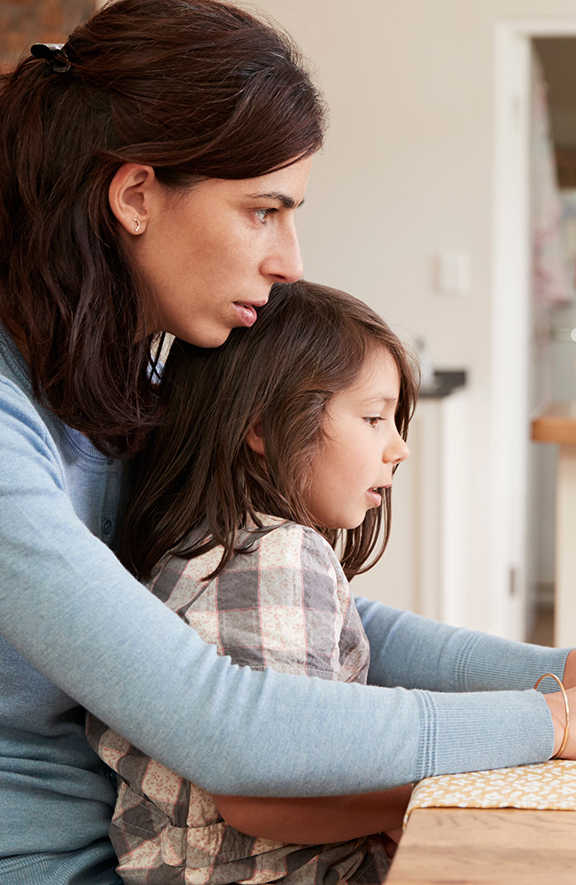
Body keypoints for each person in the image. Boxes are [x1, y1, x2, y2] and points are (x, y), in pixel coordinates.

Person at [0, 0, 576, 885]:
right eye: (263, 210)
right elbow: (224, 722)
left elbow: (325, 612)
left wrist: (565, 671)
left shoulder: (136, 387)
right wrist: (559, 723)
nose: (291, 260)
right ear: (135, 196)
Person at [88, 280, 419, 884]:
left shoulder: (199, 544)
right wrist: (436, 792)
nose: (397, 446)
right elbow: (270, 792)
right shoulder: (275, 555)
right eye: (374, 417)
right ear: (262, 428)